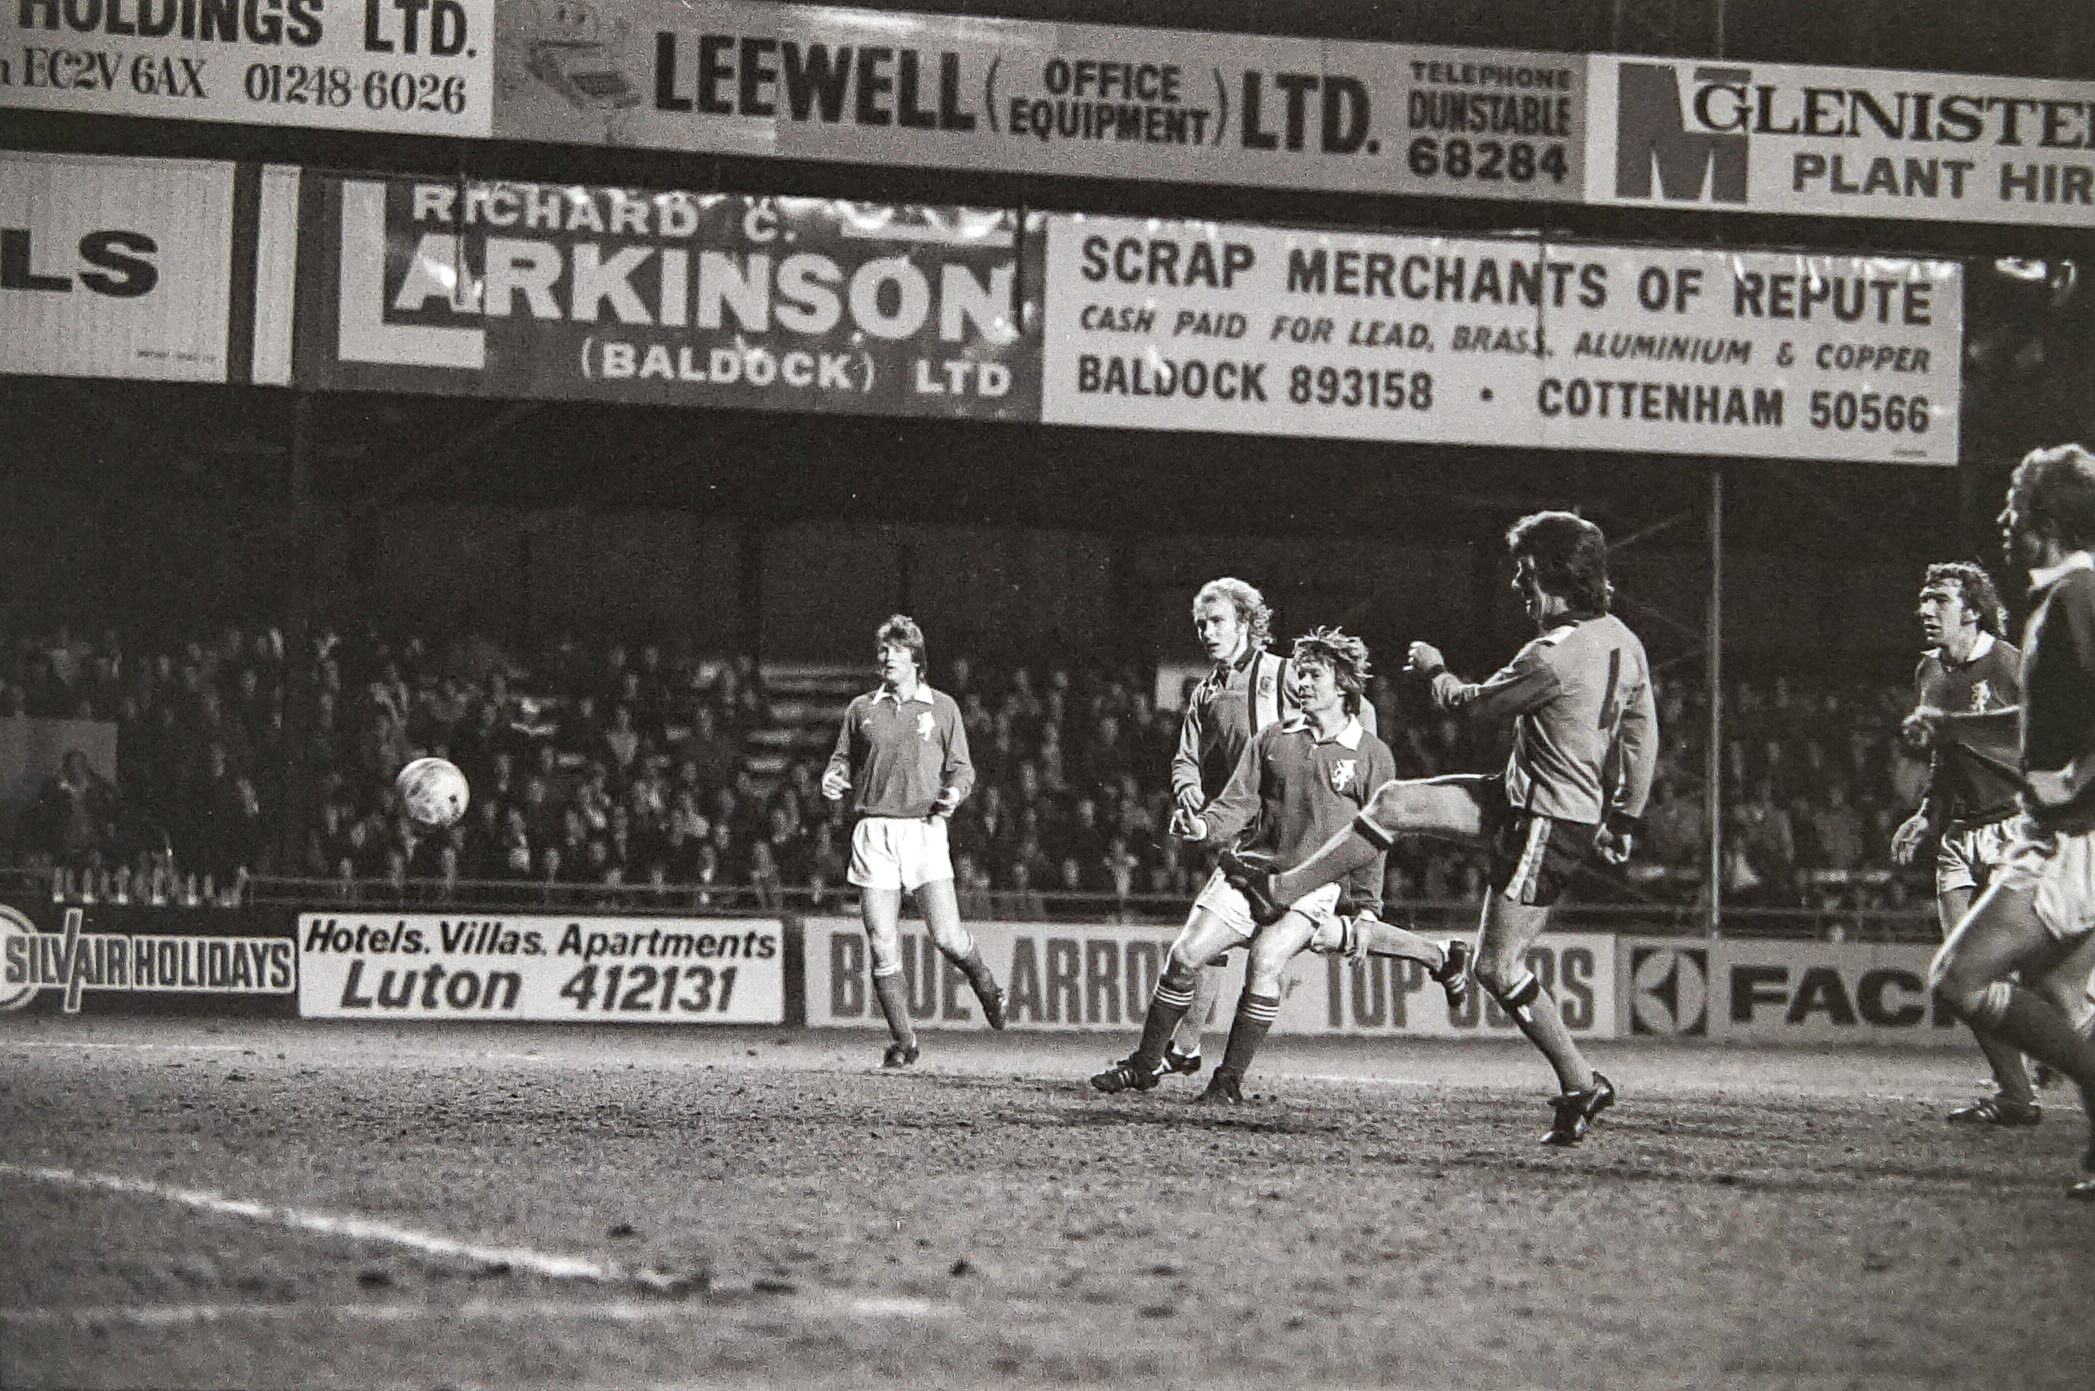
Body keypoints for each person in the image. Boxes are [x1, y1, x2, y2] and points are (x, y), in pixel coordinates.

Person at [1223, 512, 1656, 1146]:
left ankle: (1581, 1083)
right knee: (1394, 801)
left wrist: (1434, 669)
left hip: (1547, 819)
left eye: (1526, 574)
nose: (1517, 585)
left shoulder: (1551, 656)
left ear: (1557, 577)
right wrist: (1625, 814)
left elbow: (1470, 707)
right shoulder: (1624, 639)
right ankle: (1284, 890)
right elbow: (1642, 735)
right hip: (1530, 800)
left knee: (1498, 969)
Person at [1092, 629, 1464, 1103]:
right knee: (1185, 956)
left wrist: (1368, 906)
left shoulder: (1372, 754)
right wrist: (1204, 827)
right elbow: (1238, 803)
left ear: (1343, 684)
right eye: (1300, 674)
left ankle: (1227, 1081)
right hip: (1249, 871)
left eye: (1313, 675)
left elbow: (1377, 839)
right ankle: (1145, 1065)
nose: (1301, 683)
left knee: (1265, 962)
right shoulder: (1274, 737)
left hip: (1313, 887)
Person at [1922, 444, 2095, 1199]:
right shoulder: (2068, 596)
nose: (2001, 518)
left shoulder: (2076, 598)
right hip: (2059, 827)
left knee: (1957, 977)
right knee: (2059, 993)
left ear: (2041, 520)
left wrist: (2063, 790)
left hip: (2068, 837)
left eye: (2011, 505)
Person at [1154, 578, 1403, 1085]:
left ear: (1247, 623)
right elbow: (1186, 757)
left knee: (1258, 943)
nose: (1206, 632)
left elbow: (1355, 708)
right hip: (1236, 826)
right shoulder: (1206, 691)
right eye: (1200, 623)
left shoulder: (1287, 673)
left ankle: (1184, 1048)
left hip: (1296, 831)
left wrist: (1356, 765)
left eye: (1217, 620)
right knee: (1230, 945)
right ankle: (1184, 1048)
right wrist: (1188, 791)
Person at [1890, 562, 2044, 1124]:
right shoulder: (1928, 670)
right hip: (1960, 836)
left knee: (2043, 972)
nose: (1925, 610)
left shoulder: (2010, 663)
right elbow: (1942, 755)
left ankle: (2053, 1050)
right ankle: (2016, 1097)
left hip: (2016, 829)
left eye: (1939, 600)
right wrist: (1927, 814)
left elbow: (2045, 728)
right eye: (1923, 600)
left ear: (1971, 609)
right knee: (1959, 979)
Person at [823, 615, 1007, 1068]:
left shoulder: (942, 708)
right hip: (875, 833)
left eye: (895, 650)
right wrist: (833, 777)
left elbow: (963, 769)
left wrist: (954, 793)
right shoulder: (861, 708)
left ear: (915, 658)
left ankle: (985, 983)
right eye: (882, 650)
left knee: (945, 937)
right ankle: (905, 1043)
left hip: (924, 831)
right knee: (881, 939)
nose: (885, 658)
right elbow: (842, 760)